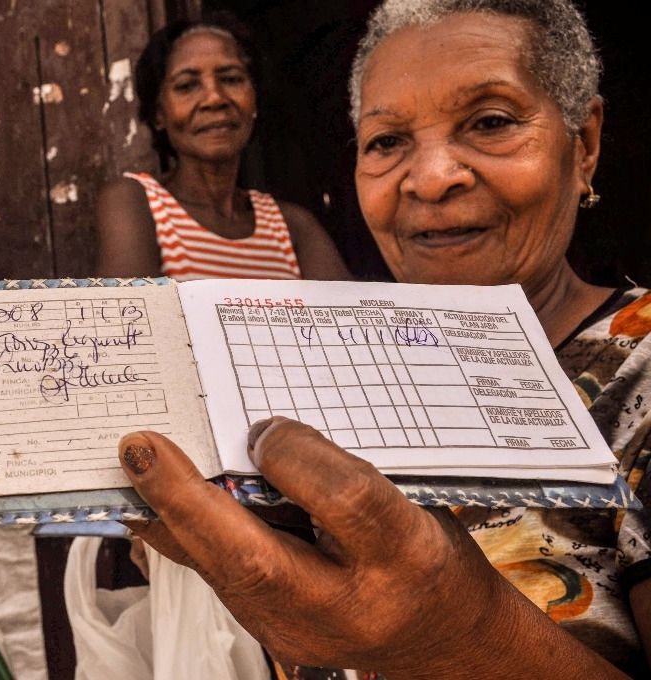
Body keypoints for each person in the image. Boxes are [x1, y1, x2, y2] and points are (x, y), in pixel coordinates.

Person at [114, 0, 651, 677]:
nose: (430, 179)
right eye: (387, 142)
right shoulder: (336, 405)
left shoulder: (638, 373)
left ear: (586, 144)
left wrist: (462, 635)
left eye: (490, 122)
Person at [95, 13, 350, 282]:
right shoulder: (135, 201)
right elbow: (136, 316)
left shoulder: (292, 226)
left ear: (255, 101)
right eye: (187, 85)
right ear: (159, 114)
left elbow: (348, 319)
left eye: (231, 79)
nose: (214, 98)